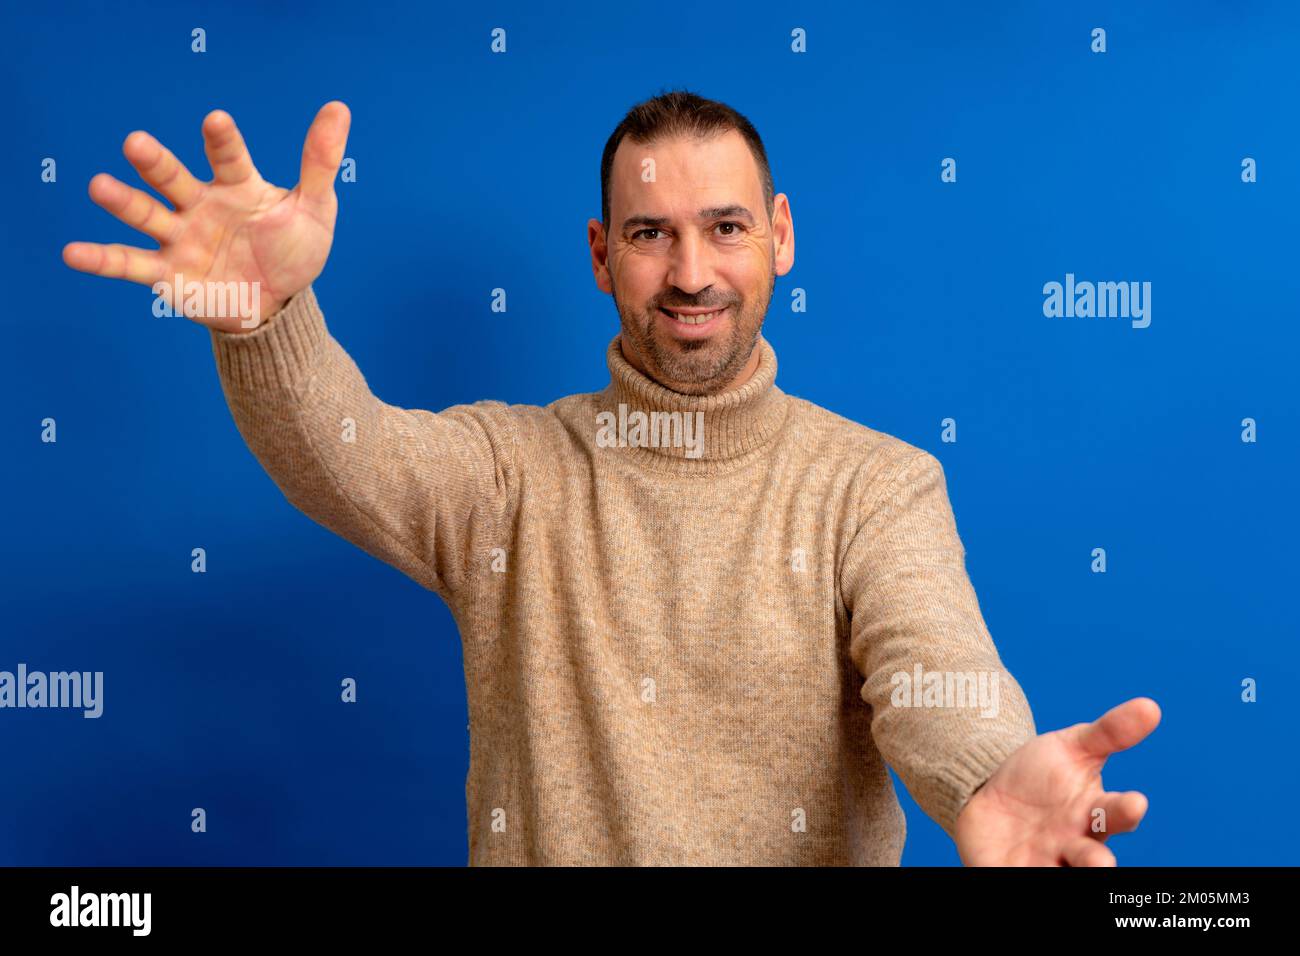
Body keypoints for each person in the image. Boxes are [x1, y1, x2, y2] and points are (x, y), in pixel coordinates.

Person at [63, 89, 1159, 866]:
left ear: (778, 237)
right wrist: (267, 321)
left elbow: (933, 662)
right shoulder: (509, 471)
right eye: (651, 234)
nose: (691, 273)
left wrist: (983, 773)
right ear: (599, 254)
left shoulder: (874, 484)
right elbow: (343, 446)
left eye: (725, 228)